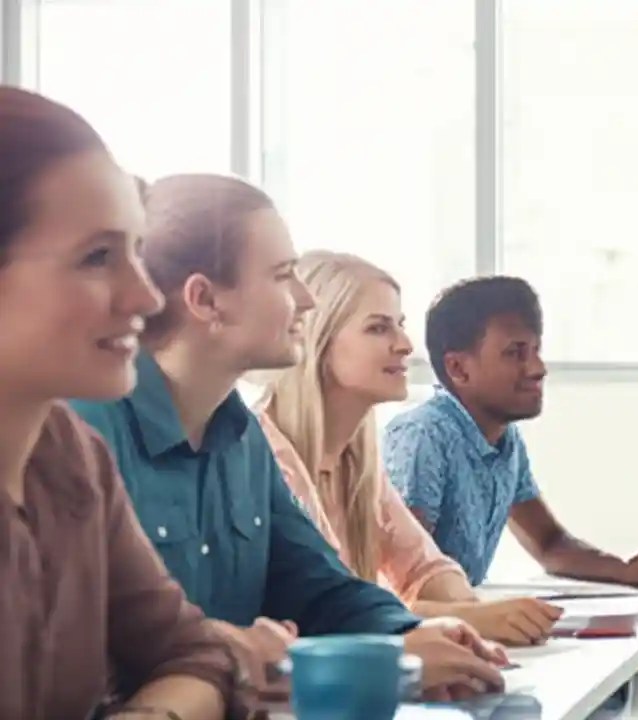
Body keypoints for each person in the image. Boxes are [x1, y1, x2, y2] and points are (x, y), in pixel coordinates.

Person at [70, 173, 505, 701]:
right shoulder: (83, 435)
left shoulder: (242, 438)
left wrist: (407, 636)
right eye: (282, 276)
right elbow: (93, 645)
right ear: (204, 299)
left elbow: (314, 583)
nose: (304, 299)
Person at [0, 87, 240, 720]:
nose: (146, 297)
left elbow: (195, 657)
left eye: (138, 251)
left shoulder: (71, 457)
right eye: (98, 257)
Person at [254, 250, 563, 646]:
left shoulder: (358, 460)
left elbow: (423, 568)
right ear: (318, 339)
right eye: (378, 328)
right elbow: (332, 609)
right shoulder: (265, 455)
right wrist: (473, 618)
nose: (404, 344)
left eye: (399, 325)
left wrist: (476, 611)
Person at [384, 276, 638, 587]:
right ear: (458, 368)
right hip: (426, 627)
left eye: (536, 350)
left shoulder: (504, 438)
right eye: (515, 353)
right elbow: (404, 579)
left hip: (461, 618)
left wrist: (625, 569)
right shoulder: (423, 435)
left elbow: (549, 544)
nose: (538, 368)